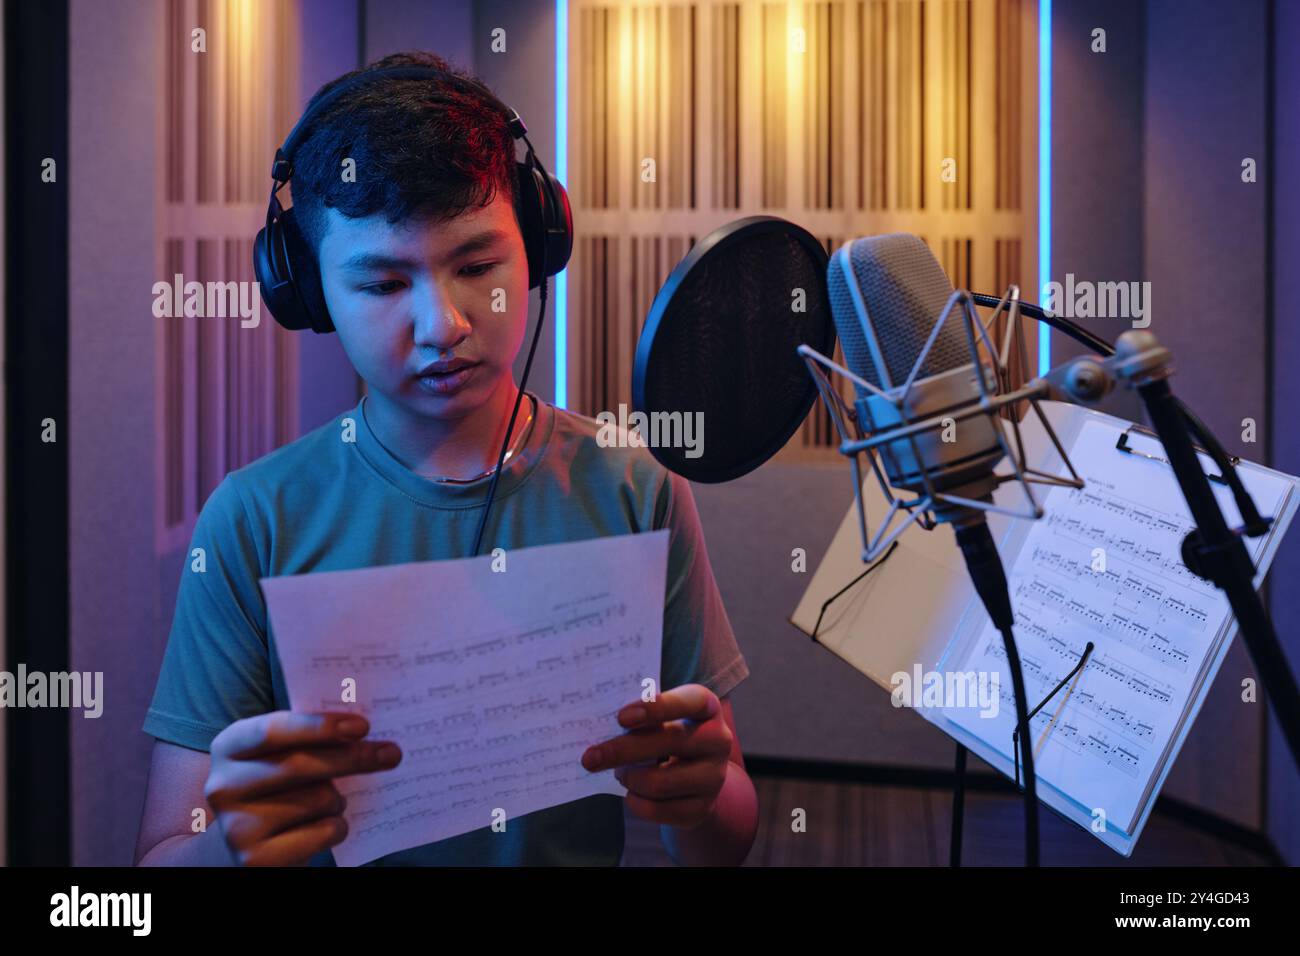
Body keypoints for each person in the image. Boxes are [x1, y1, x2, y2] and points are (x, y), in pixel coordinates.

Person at [133, 51, 757, 867]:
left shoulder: (634, 485)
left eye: (476, 267)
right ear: (311, 294)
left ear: (538, 247)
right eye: (385, 285)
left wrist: (704, 793)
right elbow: (153, 862)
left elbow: (722, 840)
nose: (444, 325)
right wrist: (230, 848)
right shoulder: (255, 521)